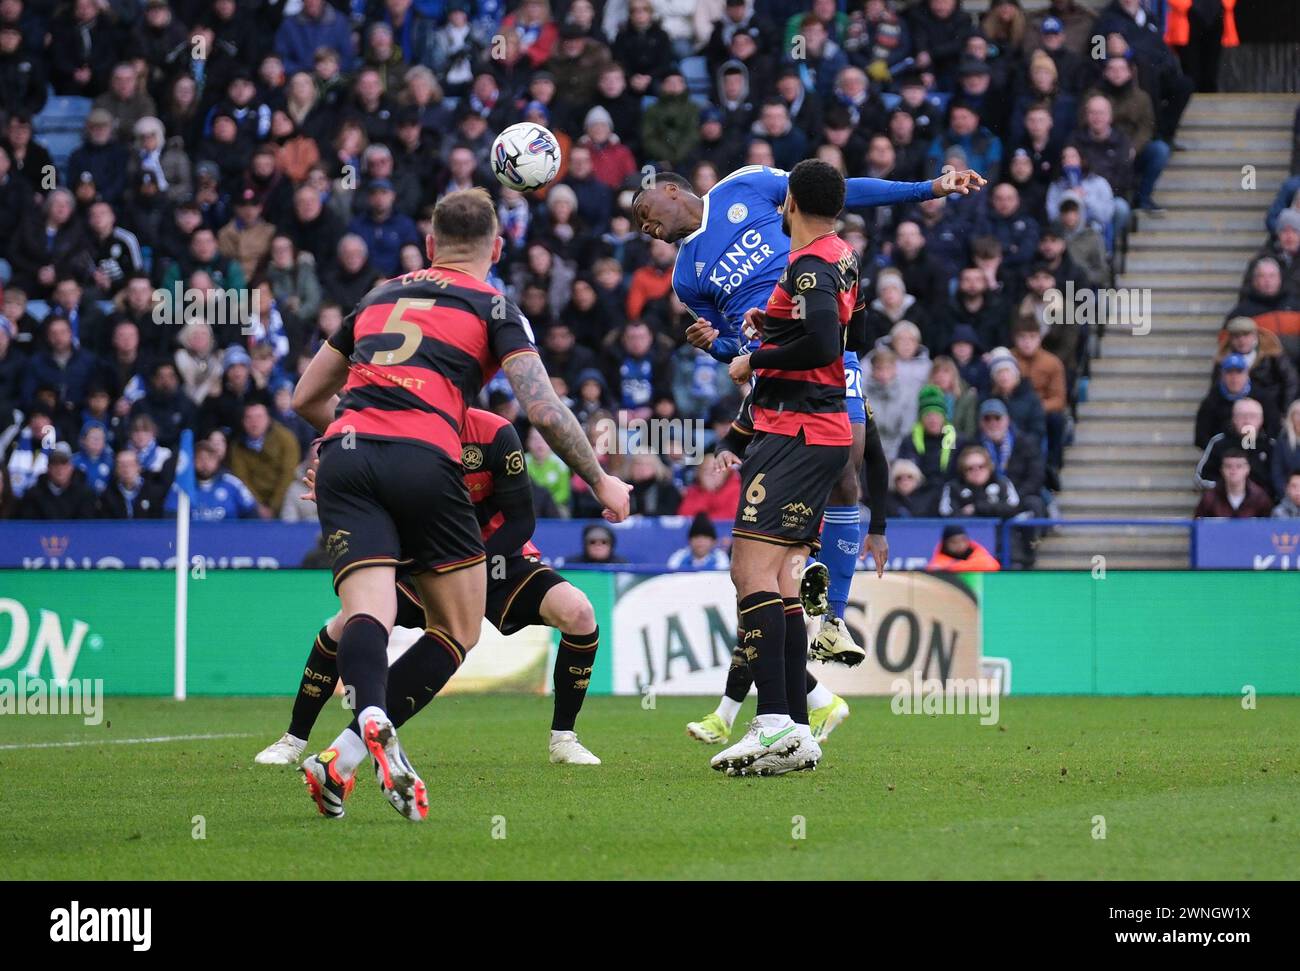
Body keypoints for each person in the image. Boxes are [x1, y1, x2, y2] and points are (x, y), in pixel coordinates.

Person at [290, 188, 630, 820]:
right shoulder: (493, 304)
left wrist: (344, 439)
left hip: (346, 452)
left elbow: (306, 395)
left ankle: (351, 735)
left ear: (428, 245)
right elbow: (545, 410)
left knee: (368, 610)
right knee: (455, 629)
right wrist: (600, 479)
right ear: (497, 249)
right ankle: (353, 744)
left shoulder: (377, 295)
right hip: (424, 457)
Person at [633, 159, 985, 668]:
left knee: (851, 460)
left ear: (671, 189)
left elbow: (834, 194)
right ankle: (790, 620)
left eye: (646, 212)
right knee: (788, 497)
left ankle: (833, 621)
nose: (646, 227)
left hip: (826, 341)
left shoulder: (745, 184)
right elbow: (734, 347)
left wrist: (926, 188)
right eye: (641, 225)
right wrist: (716, 345)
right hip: (772, 367)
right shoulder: (686, 280)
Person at [257, 408, 605, 783]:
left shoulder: (495, 433)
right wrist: (335, 494)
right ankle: (293, 738)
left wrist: (474, 566)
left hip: (498, 561)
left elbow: (521, 520)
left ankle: (563, 738)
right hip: (426, 562)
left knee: (580, 613)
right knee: (342, 625)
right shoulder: (397, 433)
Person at [704, 160, 869, 776]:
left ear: (790, 202)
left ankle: (771, 721)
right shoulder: (840, 253)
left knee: (749, 572)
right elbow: (838, 330)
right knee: (777, 584)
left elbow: (825, 343)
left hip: (794, 432)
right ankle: (795, 726)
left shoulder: (807, 265)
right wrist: (771, 320)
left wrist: (757, 358)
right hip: (818, 432)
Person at [17, 443, 97, 520]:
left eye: (63, 463)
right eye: (55, 463)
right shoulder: (33, 495)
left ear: (71, 467)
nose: (59, 468)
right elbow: (28, 527)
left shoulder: (85, 495)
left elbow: (86, 527)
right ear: (48, 467)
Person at [1193, 447, 1273, 519]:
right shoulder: (1210, 498)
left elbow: (1266, 529)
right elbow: (1199, 528)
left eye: (1239, 466)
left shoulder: (1260, 498)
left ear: (1247, 469)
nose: (1233, 471)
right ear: (1222, 470)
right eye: (1228, 466)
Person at [927, 523, 1002, 572]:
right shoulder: (939, 559)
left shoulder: (976, 551)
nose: (960, 545)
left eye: (963, 540)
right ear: (945, 544)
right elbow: (935, 570)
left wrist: (952, 568)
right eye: (954, 542)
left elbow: (992, 565)